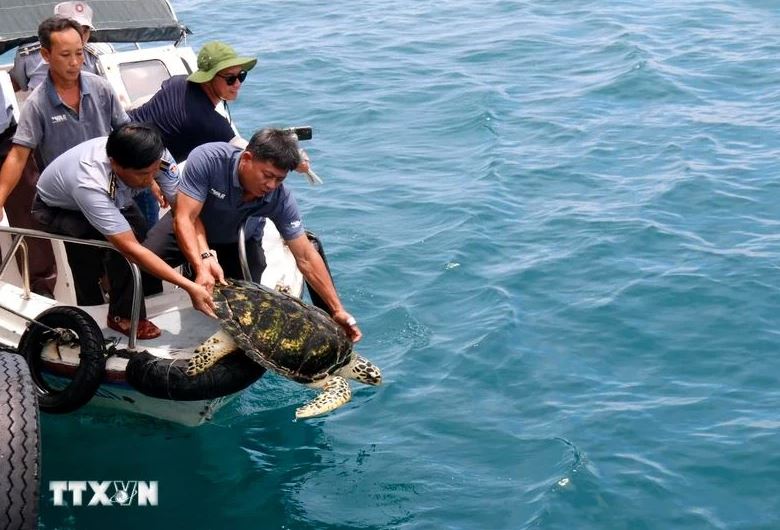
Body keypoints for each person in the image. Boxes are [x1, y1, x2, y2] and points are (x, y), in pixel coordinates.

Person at [144, 128, 361, 341]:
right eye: (267, 176)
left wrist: (337, 309)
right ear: (247, 158)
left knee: (246, 308)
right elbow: (184, 218)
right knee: (144, 261)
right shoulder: (210, 159)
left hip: (237, 242)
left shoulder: (280, 198)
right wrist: (202, 263)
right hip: (190, 225)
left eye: (279, 180)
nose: (271, 185)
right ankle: (138, 314)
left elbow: (305, 255)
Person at [31, 123, 215, 339]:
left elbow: (184, 214)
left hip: (117, 195)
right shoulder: (90, 182)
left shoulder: (157, 156)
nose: (150, 180)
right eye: (144, 175)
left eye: (154, 172)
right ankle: (116, 316)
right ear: (115, 164)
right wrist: (187, 286)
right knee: (109, 253)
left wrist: (202, 263)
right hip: (60, 207)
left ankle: (141, 294)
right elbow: (130, 249)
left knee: (145, 241)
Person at [0, 16, 129, 297]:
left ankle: (127, 312)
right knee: (84, 265)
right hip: (68, 202)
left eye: (80, 53)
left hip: (110, 190)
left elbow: (126, 135)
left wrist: (154, 180)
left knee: (131, 249)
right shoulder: (36, 104)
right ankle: (91, 317)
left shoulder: (101, 88)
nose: (75, 62)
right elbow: (19, 155)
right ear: (46, 55)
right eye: (66, 55)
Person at [10, 2, 106, 92]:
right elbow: (18, 84)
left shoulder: (99, 55)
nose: (80, 36)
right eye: (73, 30)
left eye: (85, 31)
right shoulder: (29, 56)